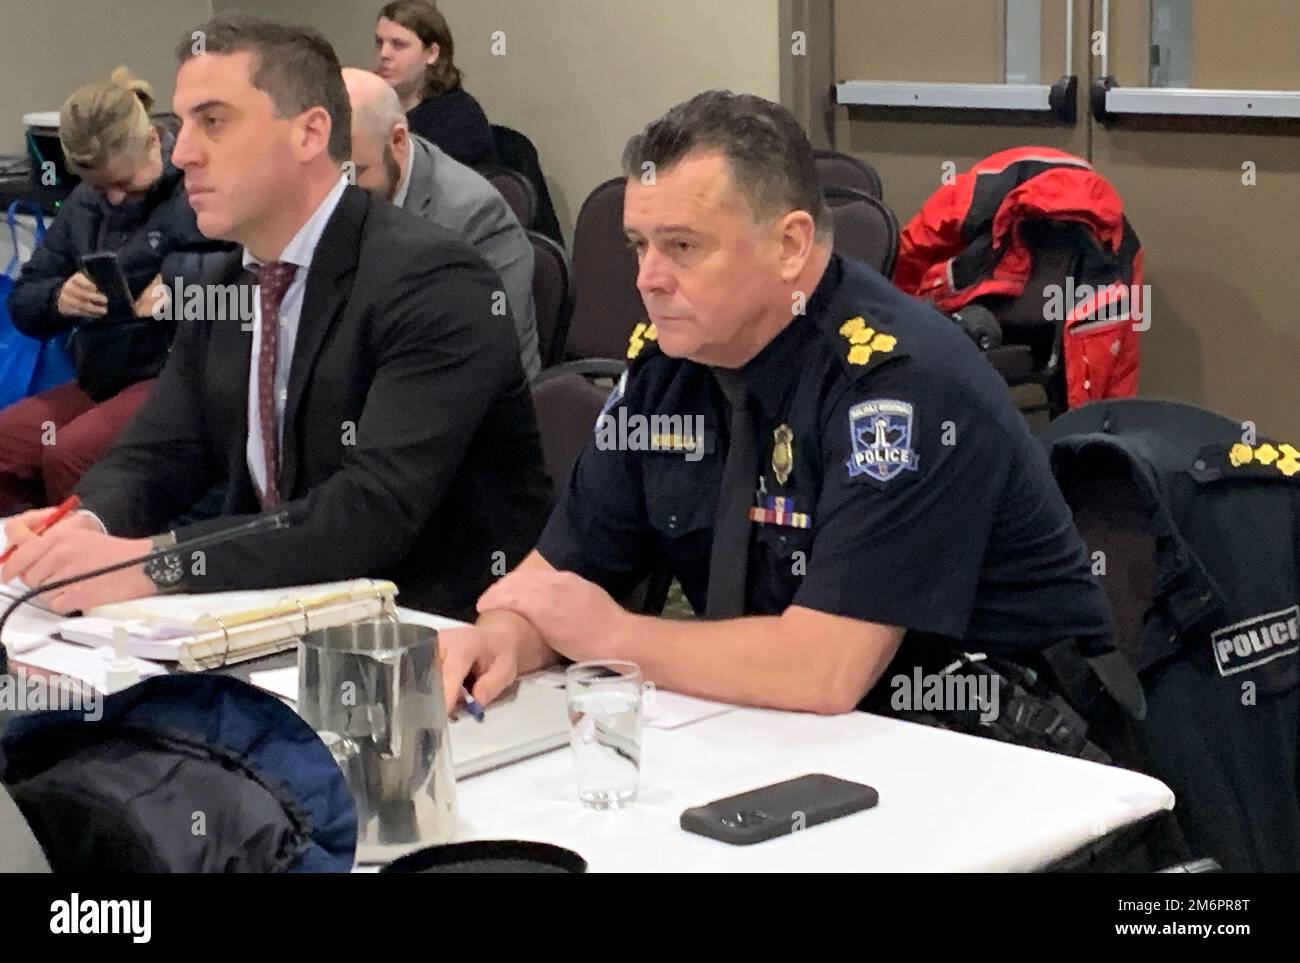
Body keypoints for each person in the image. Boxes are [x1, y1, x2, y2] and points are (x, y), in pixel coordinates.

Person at [438, 91, 1118, 721]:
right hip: (791, 731)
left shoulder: (899, 385)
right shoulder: (669, 370)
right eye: (638, 246)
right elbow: (556, 576)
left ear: (789, 245)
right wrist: (505, 636)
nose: (647, 279)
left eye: (682, 246)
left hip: (997, 737)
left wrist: (611, 636)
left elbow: (821, 669)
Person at [0, 14, 552, 619]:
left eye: (213, 122)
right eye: (183, 124)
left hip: (432, 635)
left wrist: (152, 564)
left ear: (310, 134)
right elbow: (159, 453)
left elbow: (370, 513)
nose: (182, 153)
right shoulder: (232, 280)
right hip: (276, 615)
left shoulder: (434, 280)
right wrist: (84, 525)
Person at [0, 67, 229, 513]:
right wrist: (58, 298)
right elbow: (24, 300)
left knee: (71, 454)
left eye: (124, 184)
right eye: (102, 187)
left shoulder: (200, 182)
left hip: (176, 372)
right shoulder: (87, 202)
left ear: (153, 142)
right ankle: (21, 566)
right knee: (7, 445)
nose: (115, 199)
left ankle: (81, 568)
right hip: (105, 369)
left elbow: (251, 272)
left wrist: (177, 287)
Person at [344, 68, 540, 379]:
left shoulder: (475, 217)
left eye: (355, 173)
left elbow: (488, 358)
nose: (343, 191)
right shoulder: (335, 193)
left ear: (397, 141)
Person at [374, 0, 498, 168]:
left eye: (398, 44)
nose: (384, 53)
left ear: (432, 54)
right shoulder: (371, 107)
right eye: (380, 42)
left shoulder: (459, 117)